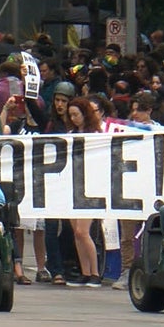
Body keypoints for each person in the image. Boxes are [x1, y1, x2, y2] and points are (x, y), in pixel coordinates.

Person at [64, 96, 103, 287]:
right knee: (76, 233)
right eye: (71, 115)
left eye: (76, 114)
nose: (73, 118)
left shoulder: (96, 134)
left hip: (91, 185)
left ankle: (95, 273)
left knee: (83, 231)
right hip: (74, 184)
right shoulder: (70, 134)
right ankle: (85, 272)